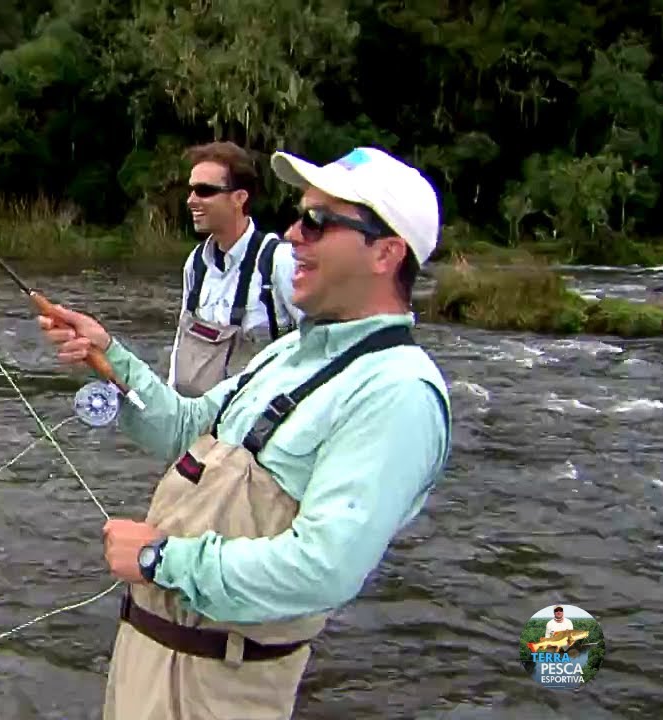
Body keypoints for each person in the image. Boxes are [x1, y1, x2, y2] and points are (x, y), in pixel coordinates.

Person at [38, 145, 452, 719]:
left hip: (221, 689)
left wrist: (160, 561)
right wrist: (111, 357)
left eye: (318, 221)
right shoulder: (288, 353)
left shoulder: (398, 393)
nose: (293, 236)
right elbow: (183, 429)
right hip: (146, 660)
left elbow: (323, 568)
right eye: (299, 215)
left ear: (386, 253)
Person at [166, 141, 302, 397]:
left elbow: (321, 346)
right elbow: (179, 347)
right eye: (191, 190)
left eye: (204, 190)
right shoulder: (195, 264)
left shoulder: (279, 261)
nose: (191, 200)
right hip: (204, 423)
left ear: (239, 198)